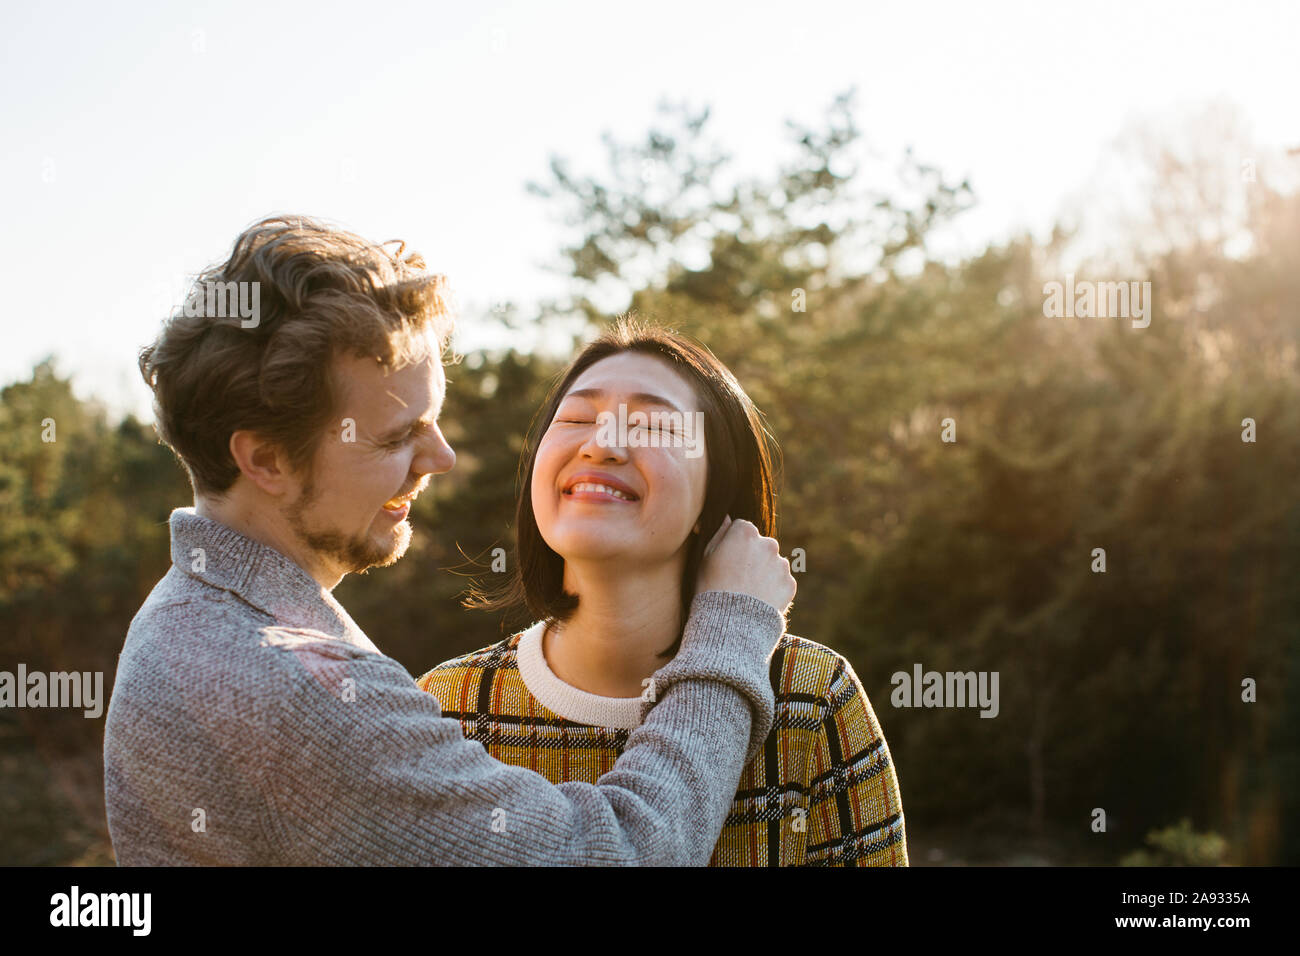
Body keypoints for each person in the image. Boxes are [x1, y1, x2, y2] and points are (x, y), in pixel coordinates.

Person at [102, 216, 796, 865]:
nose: (441, 457)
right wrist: (731, 628)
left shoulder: (184, 619)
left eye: (432, 420)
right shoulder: (294, 689)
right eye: (397, 435)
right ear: (268, 461)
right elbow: (618, 852)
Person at [418, 320, 907, 866]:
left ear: (714, 496)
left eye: (653, 427)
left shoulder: (810, 697)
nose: (602, 445)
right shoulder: (445, 709)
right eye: (577, 418)